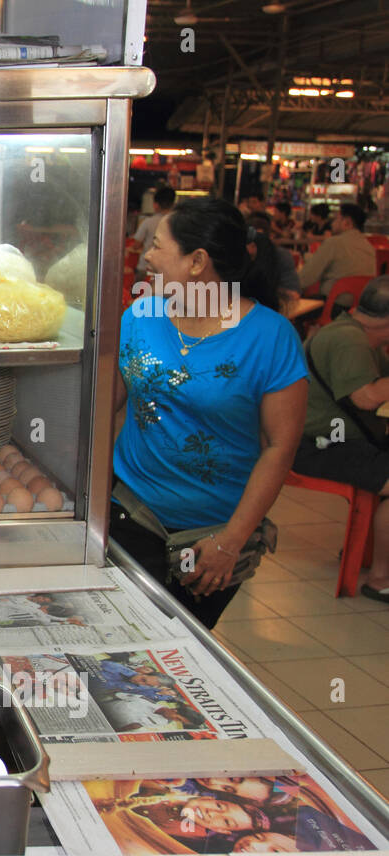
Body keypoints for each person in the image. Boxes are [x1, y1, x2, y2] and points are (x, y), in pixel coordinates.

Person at [111, 198, 308, 628]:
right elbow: (108, 406)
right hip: (130, 512)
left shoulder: (270, 338)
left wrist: (231, 541)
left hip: (213, 535)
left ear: (197, 261)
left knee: (179, 650)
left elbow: (280, 447)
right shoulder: (141, 315)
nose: (146, 255)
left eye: (158, 246)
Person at [290, 276, 389, 602]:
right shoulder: (349, 340)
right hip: (318, 445)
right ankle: (380, 579)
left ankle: (368, 551)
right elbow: (365, 397)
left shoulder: (351, 331)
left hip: (335, 437)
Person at [297, 202, 376, 310]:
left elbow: (306, 278)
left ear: (347, 223)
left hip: (333, 305)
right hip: (358, 308)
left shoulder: (334, 243)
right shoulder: (369, 247)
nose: (332, 223)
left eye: (336, 219)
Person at [245, 212, 301, 313]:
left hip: (270, 311)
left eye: (261, 239)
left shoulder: (280, 256)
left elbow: (294, 294)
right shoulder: (237, 257)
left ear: (270, 238)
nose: (254, 247)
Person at [132, 185, 175, 277]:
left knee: (140, 291)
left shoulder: (148, 222)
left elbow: (136, 245)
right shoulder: (177, 222)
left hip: (146, 267)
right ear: (173, 204)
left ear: (155, 205)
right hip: (168, 270)